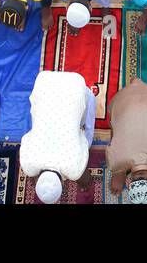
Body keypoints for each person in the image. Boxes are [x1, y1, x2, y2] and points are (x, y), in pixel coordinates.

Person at [19, 70, 96, 203]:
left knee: (86, 136)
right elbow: (26, 138)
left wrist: (81, 171)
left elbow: (83, 140)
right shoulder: (27, 164)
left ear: (62, 183)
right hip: (44, 81)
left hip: (76, 85)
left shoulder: (74, 170)